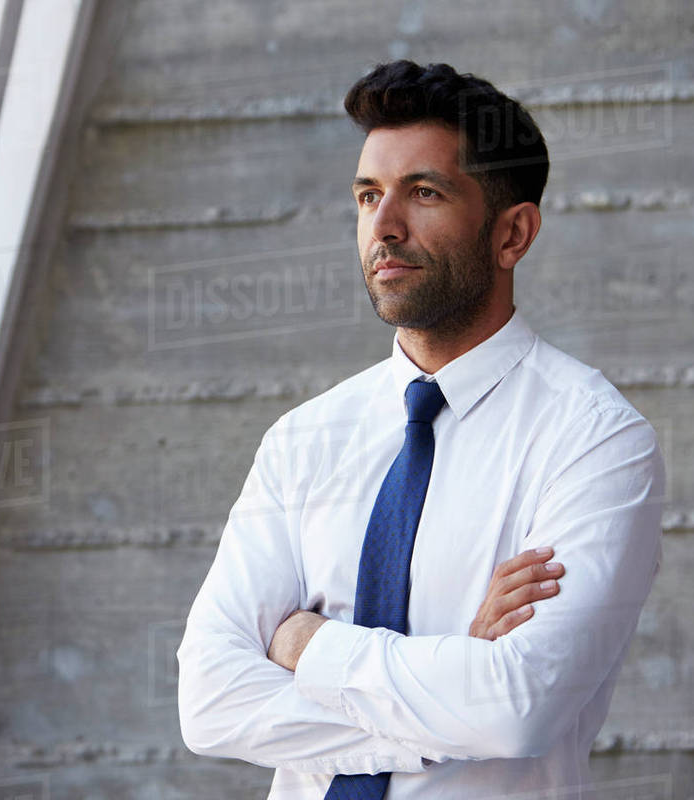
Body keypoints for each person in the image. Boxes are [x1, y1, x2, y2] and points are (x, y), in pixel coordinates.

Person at [176, 60, 665, 799]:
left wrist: (308, 645)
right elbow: (209, 702)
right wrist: (443, 696)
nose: (386, 226)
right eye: (369, 195)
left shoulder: (594, 440)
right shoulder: (303, 439)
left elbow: (515, 709)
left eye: (424, 193)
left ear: (513, 234)